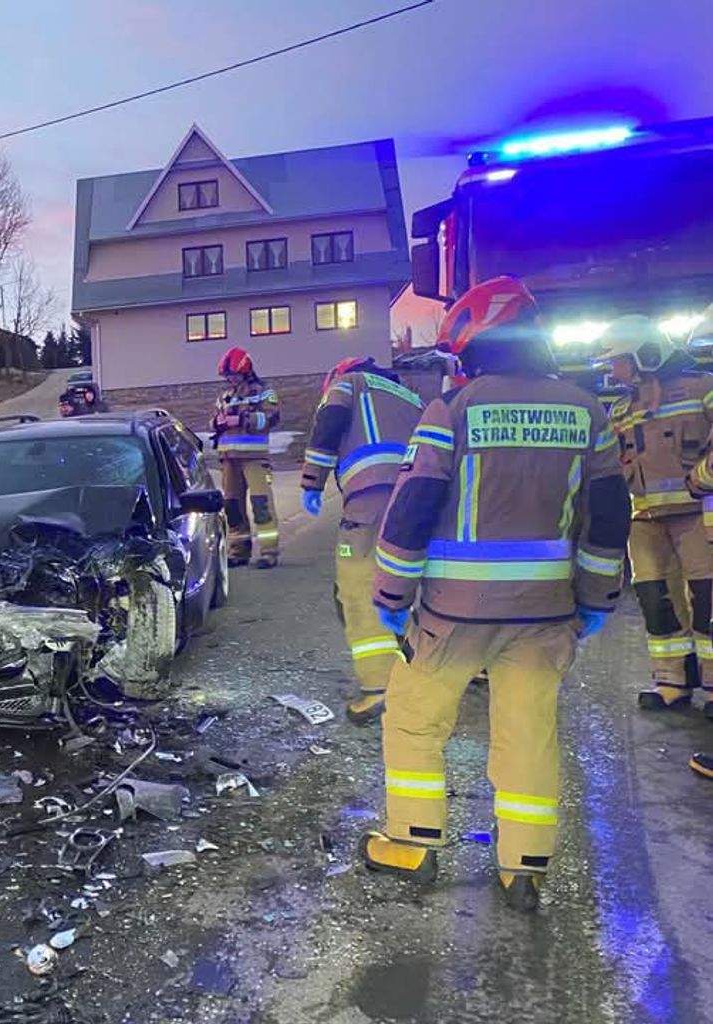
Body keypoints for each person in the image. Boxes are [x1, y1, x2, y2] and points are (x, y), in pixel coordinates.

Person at [359, 276, 631, 913]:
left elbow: (413, 508)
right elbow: (608, 516)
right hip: (545, 615)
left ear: (475, 342)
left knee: (415, 722)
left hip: (451, 614)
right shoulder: (586, 412)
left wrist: (391, 593)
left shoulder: (453, 410)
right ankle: (523, 867)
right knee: (528, 732)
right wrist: (596, 598)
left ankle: (414, 843)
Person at [300, 355, 426, 724]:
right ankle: (453, 667)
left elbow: (330, 424)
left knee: (358, 589)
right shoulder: (409, 396)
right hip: (424, 494)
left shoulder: (348, 384)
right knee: (423, 584)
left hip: (374, 493)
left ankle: (380, 688)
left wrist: (312, 481)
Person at [601, 315, 713, 713]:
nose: (613, 371)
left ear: (644, 355)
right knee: (656, 600)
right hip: (644, 520)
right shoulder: (621, 409)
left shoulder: (703, 388)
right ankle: (671, 682)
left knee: (707, 601)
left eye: (618, 361)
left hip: (696, 515)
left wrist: (702, 479)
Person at [211, 347, 281, 568]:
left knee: (261, 503)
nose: (229, 379)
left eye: (233, 375)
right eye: (227, 376)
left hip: (254, 458)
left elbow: (270, 418)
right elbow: (213, 420)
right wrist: (218, 423)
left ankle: (269, 551)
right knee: (232, 506)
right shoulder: (224, 396)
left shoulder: (263, 392)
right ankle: (238, 551)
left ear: (244, 371)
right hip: (229, 460)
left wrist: (241, 419)